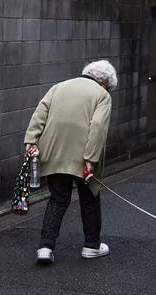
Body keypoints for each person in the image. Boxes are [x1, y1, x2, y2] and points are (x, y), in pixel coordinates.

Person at [24, 60, 118, 263]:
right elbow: (98, 128)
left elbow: (40, 112)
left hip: (53, 152)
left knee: (58, 199)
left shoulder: (59, 86)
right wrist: (91, 159)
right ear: (104, 81)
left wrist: (31, 140)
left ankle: (45, 247)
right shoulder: (102, 95)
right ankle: (91, 246)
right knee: (90, 198)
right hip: (82, 158)